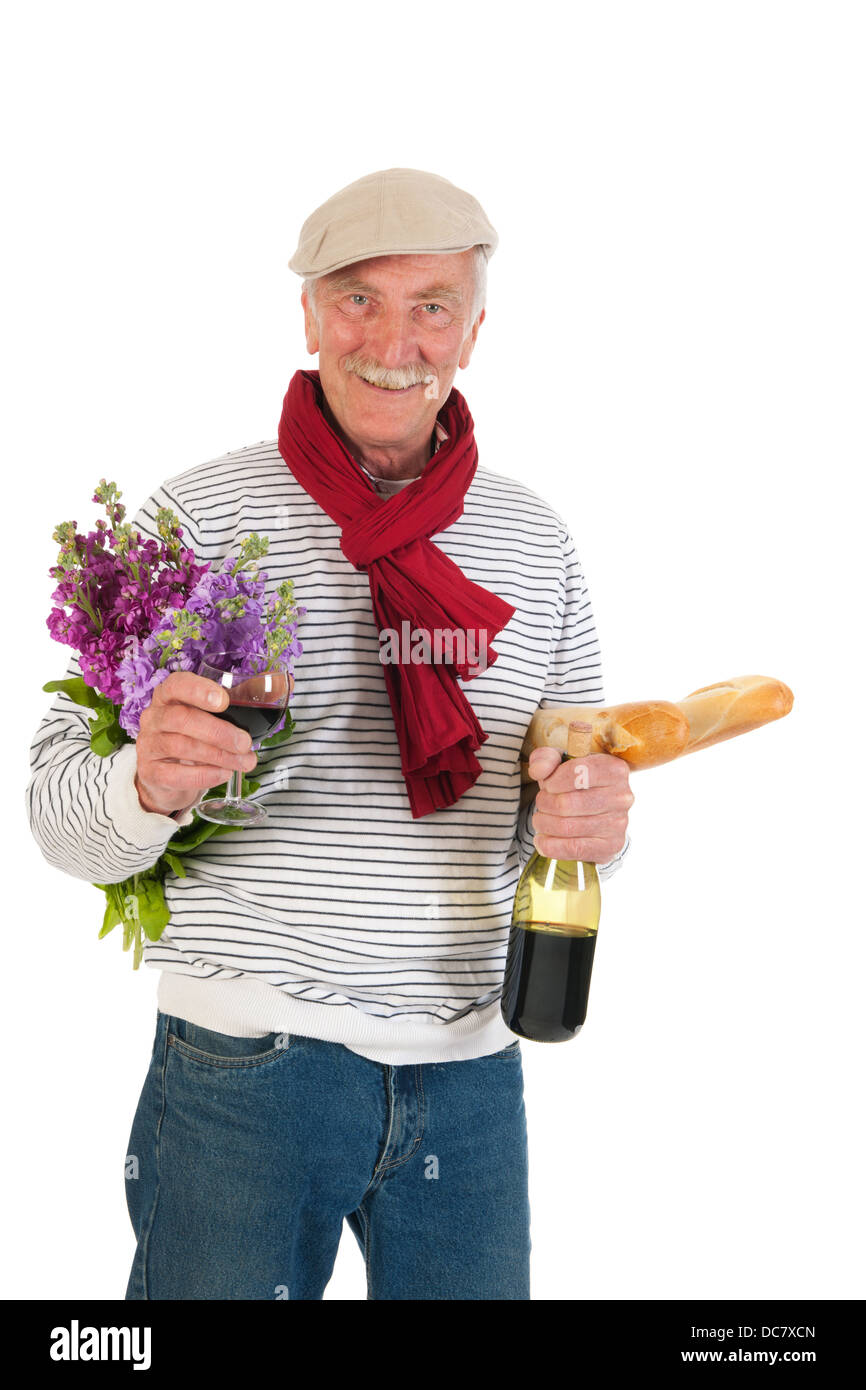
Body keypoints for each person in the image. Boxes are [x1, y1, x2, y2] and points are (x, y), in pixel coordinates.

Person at [26, 167, 633, 1301]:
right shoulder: (195, 522)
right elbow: (62, 822)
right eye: (358, 299)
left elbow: (574, 802)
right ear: (306, 312)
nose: (392, 340)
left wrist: (594, 822)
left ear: (474, 331)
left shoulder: (534, 541)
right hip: (241, 1080)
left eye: (431, 306)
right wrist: (144, 787)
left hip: (471, 1079)